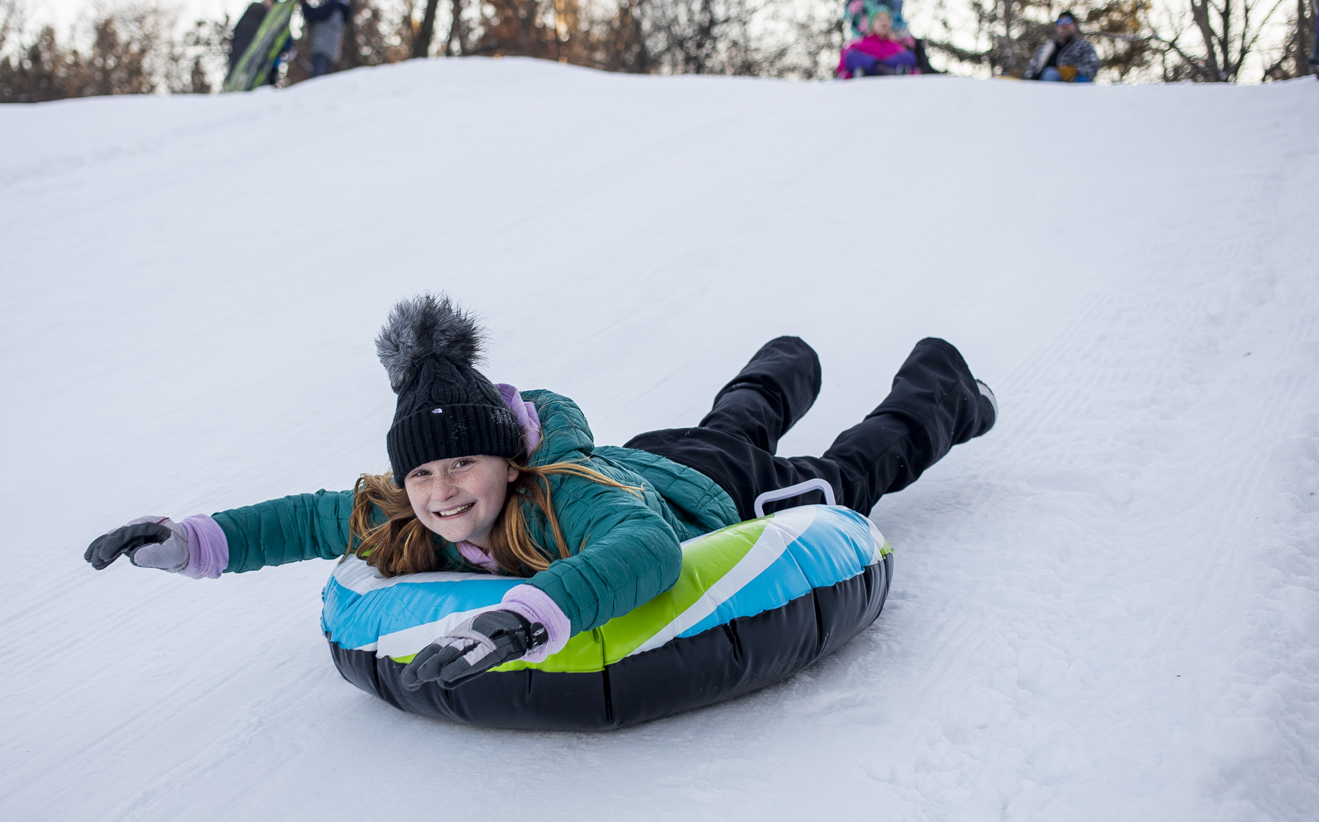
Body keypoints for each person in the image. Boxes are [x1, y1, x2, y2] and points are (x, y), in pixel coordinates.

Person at [85, 294, 996, 690]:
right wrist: (186, 540)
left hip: (711, 495)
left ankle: (946, 390)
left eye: (463, 468)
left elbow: (639, 552)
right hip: (647, 454)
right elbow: (305, 518)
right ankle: (788, 363)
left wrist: (525, 617)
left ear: (509, 465)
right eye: (425, 473)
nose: (444, 493)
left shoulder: (563, 502)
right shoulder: (413, 509)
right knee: (729, 416)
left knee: (841, 470)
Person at [836, 7, 919, 78]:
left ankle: (883, 69)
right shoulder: (860, 44)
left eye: (887, 19)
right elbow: (844, 65)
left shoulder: (897, 46)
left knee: (909, 56)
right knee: (851, 55)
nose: (884, 22)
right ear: (872, 23)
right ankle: (877, 68)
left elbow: (913, 70)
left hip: (890, 72)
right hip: (867, 73)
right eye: (880, 19)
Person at [1022, 12, 1101, 82]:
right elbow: (1032, 70)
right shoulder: (1045, 48)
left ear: (1074, 25)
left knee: (1050, 73)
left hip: (1070, 86)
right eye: (1060, 22)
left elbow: (1092, 68)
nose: (1064, 25)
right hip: (1039, 85)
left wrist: (1074, 71)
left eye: (1068, 20)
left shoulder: (1083, 46)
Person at [301, 0, 353, 78]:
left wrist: (304, 4)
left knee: (318, 76)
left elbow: (314, 14)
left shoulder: (333, 6)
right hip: (329, 48)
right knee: (322, 74)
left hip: (323, 45)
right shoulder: (338, 7)